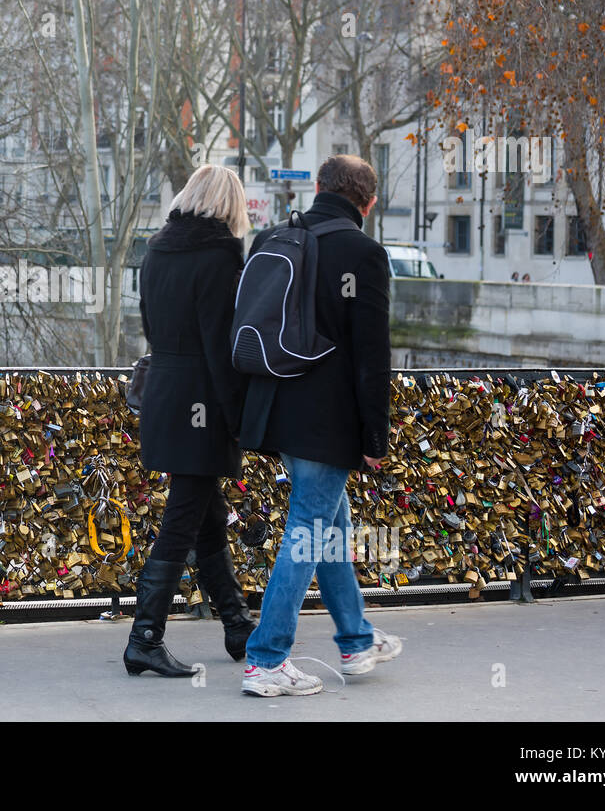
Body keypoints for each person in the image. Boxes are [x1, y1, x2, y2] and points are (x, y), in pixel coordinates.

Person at [236, 155, 402, 697]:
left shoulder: (277, 236)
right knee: (308, 530)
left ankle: (355, 641)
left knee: (329, 525)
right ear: (369, 203)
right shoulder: (364, 253)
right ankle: (266, 659)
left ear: (318, 188)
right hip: (325, 421)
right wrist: (375, 436)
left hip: (274, 408)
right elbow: (371, 356)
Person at [127, 164, 252, 677]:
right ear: (231, 206)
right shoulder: (222, 256)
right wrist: (239, 415)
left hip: (165, 391)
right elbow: (221, 347)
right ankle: (144, 637)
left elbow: (151, 326)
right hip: (202, 396)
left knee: (203, 515)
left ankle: (239, 625)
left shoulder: (157, 249)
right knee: (182, 522)